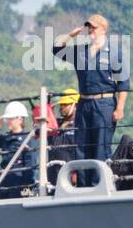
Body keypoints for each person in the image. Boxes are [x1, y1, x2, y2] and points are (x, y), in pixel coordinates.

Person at [51, 14, 128, 186]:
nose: (90, 30)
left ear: (103, 29)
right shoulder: (81, 51)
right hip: (84, 104)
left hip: (104, 104)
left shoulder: (114, 52)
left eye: (94, 27)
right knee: (81, 146)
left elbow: (123, 83)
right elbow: (56, 49)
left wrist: (120, 108)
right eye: (89, 27)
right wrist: (71, 35)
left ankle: (99, 185)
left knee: (101, 147)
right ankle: (83, 186)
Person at [0, 101, 37, 199]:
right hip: (4, 182)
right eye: (7, 119)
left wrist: (27, 188)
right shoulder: (5, 138)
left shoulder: (28, 139)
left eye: (10, 119)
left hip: (19, 183)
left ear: (20, 119)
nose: (7, 121)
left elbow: (30, 166)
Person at [48, 87, 81, 188]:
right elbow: (39, 128)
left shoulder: (80, 126)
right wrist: (49, 110)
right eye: (61, 104)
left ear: (75, 105)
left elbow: (83, 151)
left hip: (70, 174)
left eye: (65, 104)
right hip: (53, 175)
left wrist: (78, 171)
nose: (61, 107)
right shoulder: (56, 124)